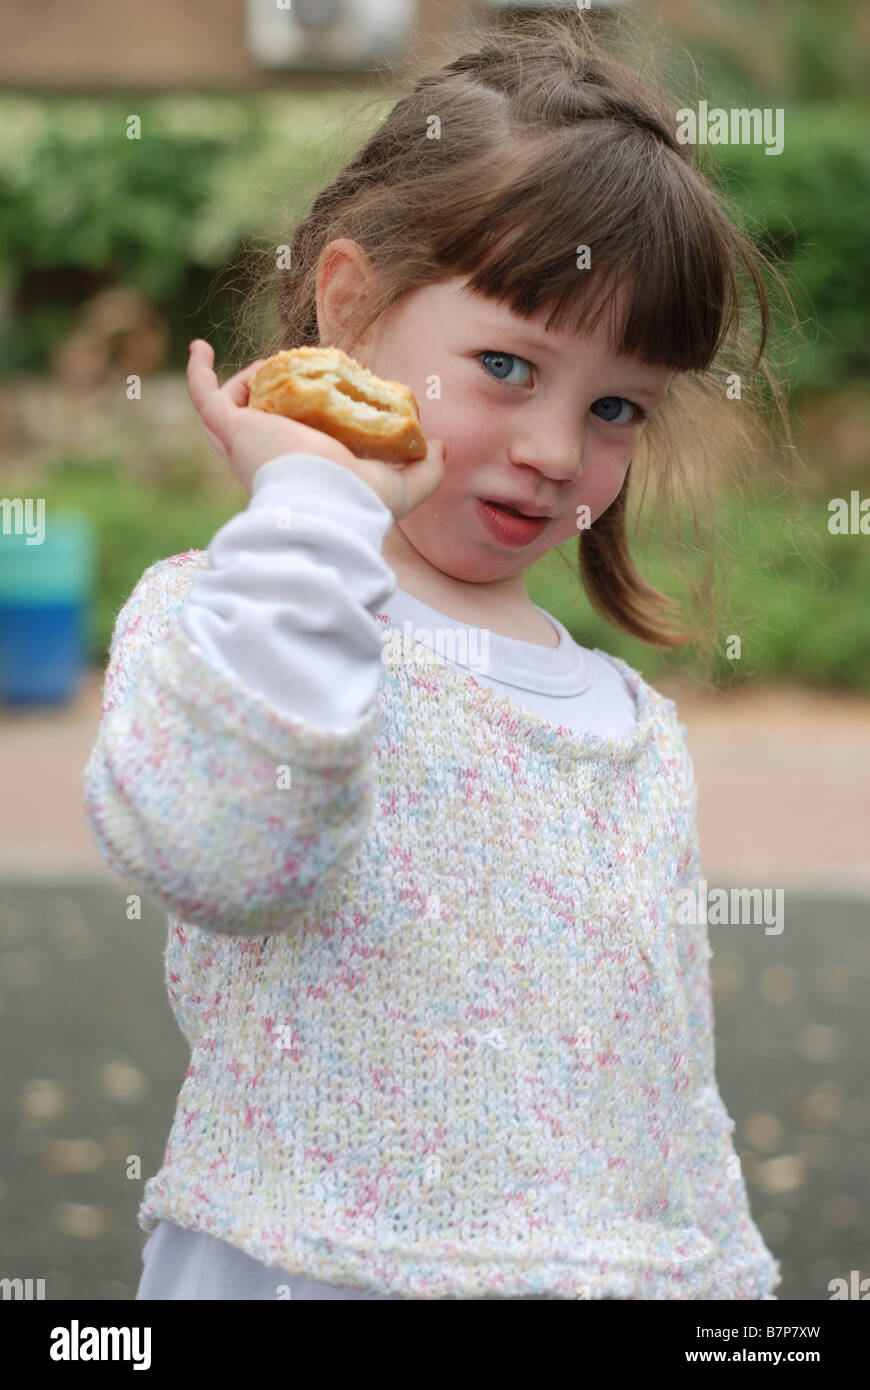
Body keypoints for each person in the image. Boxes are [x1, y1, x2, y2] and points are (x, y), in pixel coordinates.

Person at [84, 11, 789, 1300]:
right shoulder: (225, 614)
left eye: (615, 406)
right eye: (508, 365)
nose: (558, 452)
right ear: (350, 306)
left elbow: (667, 1100)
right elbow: (224, 853)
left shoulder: (627, 730)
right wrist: (311, 508)